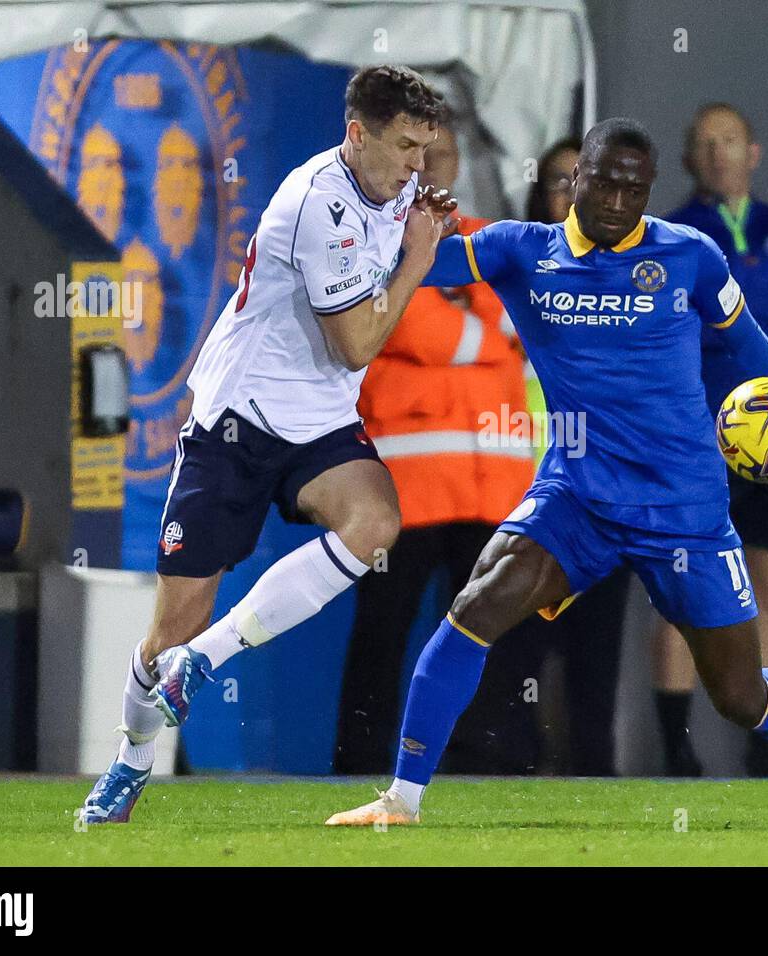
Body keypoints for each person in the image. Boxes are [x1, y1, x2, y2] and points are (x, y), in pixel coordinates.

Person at [324, 116, 768, 827]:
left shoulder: (690, 255)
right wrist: (400, 227)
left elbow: (753, 353)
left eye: (635, 189)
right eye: (604, 182)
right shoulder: (518, 249)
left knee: (739, 696)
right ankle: (401, 799)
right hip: (577, 498)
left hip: (682, 508)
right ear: (577, 179)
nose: (618, 201)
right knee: (476, 608)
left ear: (649, 191)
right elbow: (410, 272)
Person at [78, 65, 455, 823]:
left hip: (317, 420)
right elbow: (355, 344)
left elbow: (352, 344)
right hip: (236, 419)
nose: (418, 164)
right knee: (168, 630)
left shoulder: (400, 190)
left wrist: (421, 218)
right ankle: (129, 761)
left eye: (427, 147)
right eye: (406, 146)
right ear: (358, 134)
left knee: (376, 522)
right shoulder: (318, 201)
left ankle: (207, 662)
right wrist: (419, 258)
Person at [333, 125, 535, 774]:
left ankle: (480, 764)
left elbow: (519, 318)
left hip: (490, 488)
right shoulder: (371, 241)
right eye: (416, 155)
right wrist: (477, 328)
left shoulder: (485, 236)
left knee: (482, 633)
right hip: (404, 488)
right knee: (383, 635)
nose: (430, 167)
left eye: (442, 155)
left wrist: (465, 324)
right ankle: (361, 761)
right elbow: (409, 330)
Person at [444, 136, 631, 777]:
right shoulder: (515, 268)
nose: (567, 192)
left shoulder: (629, 278)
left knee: (593, 660)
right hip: (529, 503)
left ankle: (594, 784)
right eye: (555, 180)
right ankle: (498, 781)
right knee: (511, 656)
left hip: (608, 500)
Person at [661, 103, 768, 777]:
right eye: (703, 143)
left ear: (753, 151)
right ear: (687, 159)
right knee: (682, 589)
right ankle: (676, 747)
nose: (717, 153)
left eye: (729, 140)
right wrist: (766, 291)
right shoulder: (672, 234)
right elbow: (682, 321)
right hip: (696, 436)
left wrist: (728, 297)